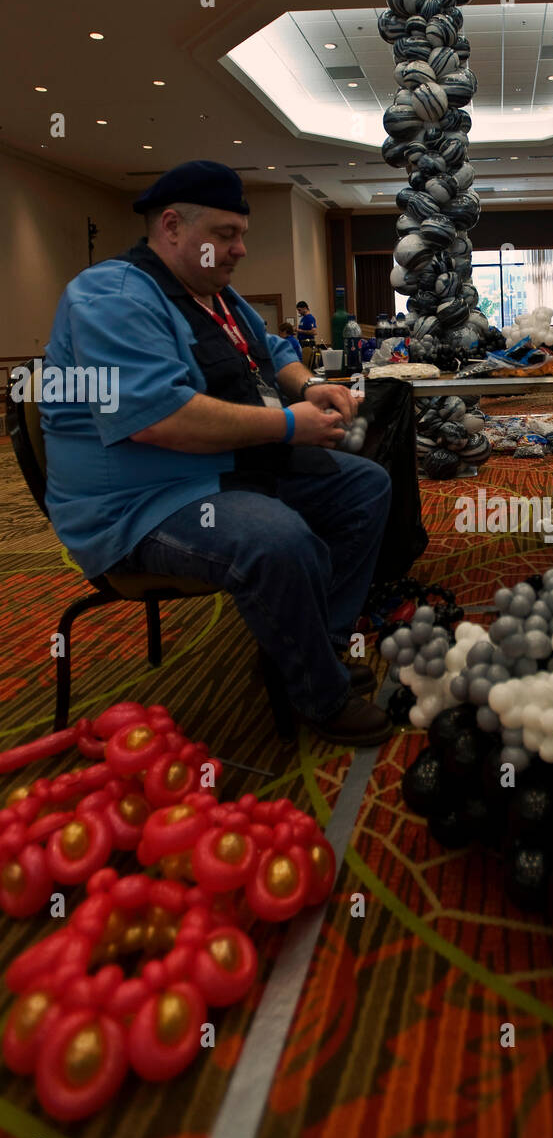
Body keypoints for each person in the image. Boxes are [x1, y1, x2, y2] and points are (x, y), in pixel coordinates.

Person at [41, 160, 394, 746]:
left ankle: (310, 651)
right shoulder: (109, 296)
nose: (240, 250)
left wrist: (308, 386)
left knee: (365, 486)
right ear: (172, 227)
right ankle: (319, 694)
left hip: (218, 470)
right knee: (279, 540)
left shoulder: (214, 293)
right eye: (225, 235)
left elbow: (273, 347)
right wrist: (286, 425)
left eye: (242, 236)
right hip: (137, 503)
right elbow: (162, 418)